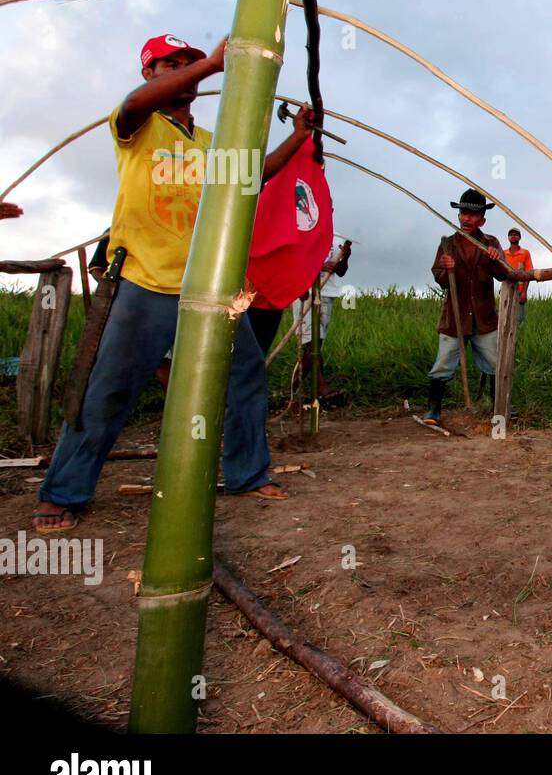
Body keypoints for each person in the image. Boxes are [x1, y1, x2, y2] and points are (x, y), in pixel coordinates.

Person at [32, 33, 313, 532]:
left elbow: (257, 172)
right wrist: (210, 65)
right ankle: (63, 492)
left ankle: (247, 473)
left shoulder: (208, 143)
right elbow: (134, 103)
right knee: (111, 389)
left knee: (246, 378)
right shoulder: (137, 125)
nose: (183, 69)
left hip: (213, 288)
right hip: (146, 281)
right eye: (171, 64)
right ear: (149, 73)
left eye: (188, 61)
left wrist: (301, 137)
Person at [423, 189, 510, 424]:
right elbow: (440, 278)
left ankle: (497, 409)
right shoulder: (448, 244)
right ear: (459, 215)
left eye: (473, 215)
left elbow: (505, 275)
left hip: (484, 318)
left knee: (494, 363)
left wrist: (497, 259)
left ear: (482, 219)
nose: (466, 219)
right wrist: (446, 268)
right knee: (442, 364)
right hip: (454, 318)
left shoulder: (491, 243)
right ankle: (433, 410)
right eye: (463, 213)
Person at [291, 236, 352, 399]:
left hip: (327, 293)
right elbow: (294, 261)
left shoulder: (338, 238)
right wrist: (321, 266)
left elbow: (340, 272)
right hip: (306, 292)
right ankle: (300, 389)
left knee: (318, 343)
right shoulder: (304, 232)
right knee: (312, 343)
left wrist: (345, 257)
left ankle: (308, 389)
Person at [502, 228, 532, 326]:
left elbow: (528, 273)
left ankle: (519, 340)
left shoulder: (525, 253)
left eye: (516, 234)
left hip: (519, 290)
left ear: (519, 237)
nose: (513, 236)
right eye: (511, 235)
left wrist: (524, 292)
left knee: (518, 320)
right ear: (508, 237)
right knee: (505, 319)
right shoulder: (503, 253)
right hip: (506, 289)